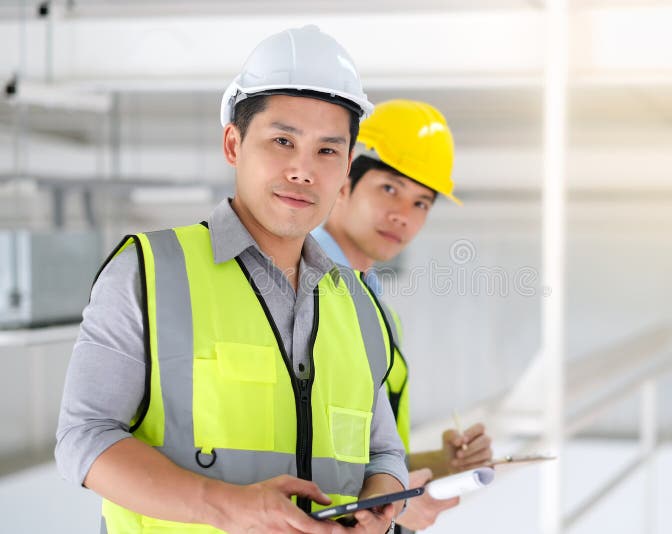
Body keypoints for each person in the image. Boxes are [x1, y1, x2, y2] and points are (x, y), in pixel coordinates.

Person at [55, 26, 408, 534]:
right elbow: (84, 437)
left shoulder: (361, 308)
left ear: (347, 166)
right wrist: (228, 506)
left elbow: (384, 454)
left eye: (327, 151)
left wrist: (379, 505)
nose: (303, 171)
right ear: (233, 143)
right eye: (282, 141)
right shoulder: (150, 271)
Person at [312, 99, 493, 532]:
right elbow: (289, 446)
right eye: (390, 189)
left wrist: (441, 462)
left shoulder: (377, 310)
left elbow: (356, 451)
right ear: (344, 182)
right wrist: (396, 506)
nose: (402, 216)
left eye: (421, 203)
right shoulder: (297, 287)